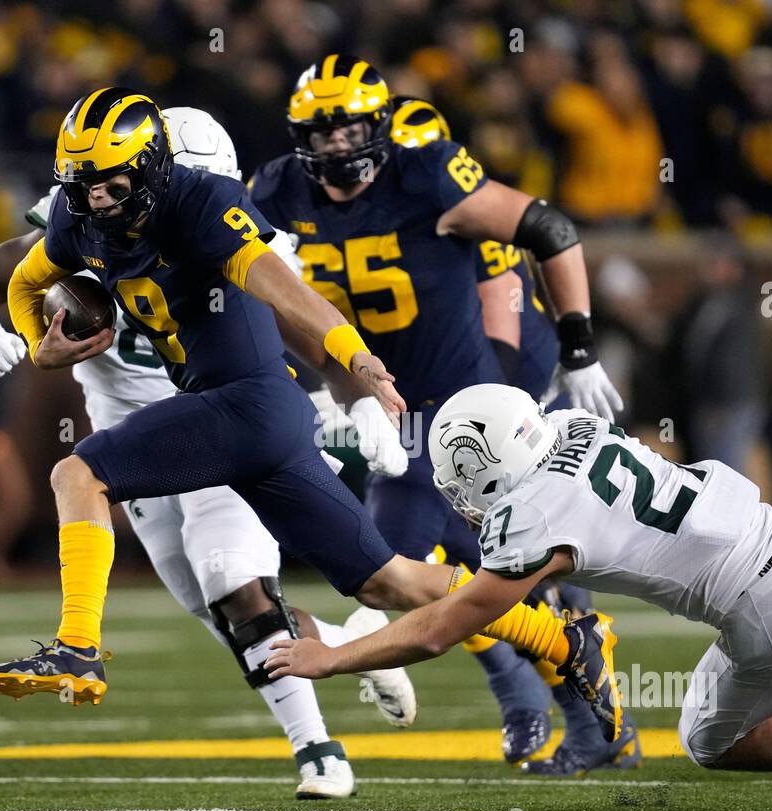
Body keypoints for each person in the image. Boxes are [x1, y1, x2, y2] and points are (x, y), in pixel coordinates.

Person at [0, 89, 585, 768]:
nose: (99, 202)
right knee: (389, 582)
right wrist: (39, 345)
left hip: (244, 404)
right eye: (83, 188)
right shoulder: (77, 213)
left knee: (77, 472)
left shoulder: (200, 203)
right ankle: (563, 639)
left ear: (152, 166)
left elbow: (281, 290)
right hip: (265, 421)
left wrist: (356, 359)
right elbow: (24, 282)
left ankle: (79, 644)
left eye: (113, 184)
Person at [266, 383, 772, 811]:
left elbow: (440, 629)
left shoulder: (534, 517)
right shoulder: (571, 426)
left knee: (709, 741)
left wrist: (332, 658)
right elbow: (462, 595)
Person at [0, 106, 416, 799]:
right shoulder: (88, 206)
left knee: (234, 580)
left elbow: (294, 319)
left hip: (214, 414)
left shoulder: (217, 218)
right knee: (220, 612)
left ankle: (318, 750)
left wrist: (352, 394)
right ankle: (354, 645)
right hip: (127, 439)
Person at [249, 58, 625, 764]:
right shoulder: (275, 188)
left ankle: (548, 684)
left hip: (457, 403)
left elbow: (529, 259)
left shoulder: (429, 176)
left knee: (409, 563)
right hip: (384, 397)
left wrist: (570, 356)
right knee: (449, 566)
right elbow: (247, 273)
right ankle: (564, 687)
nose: (335, 146)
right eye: (320, 132)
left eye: (349, 128)